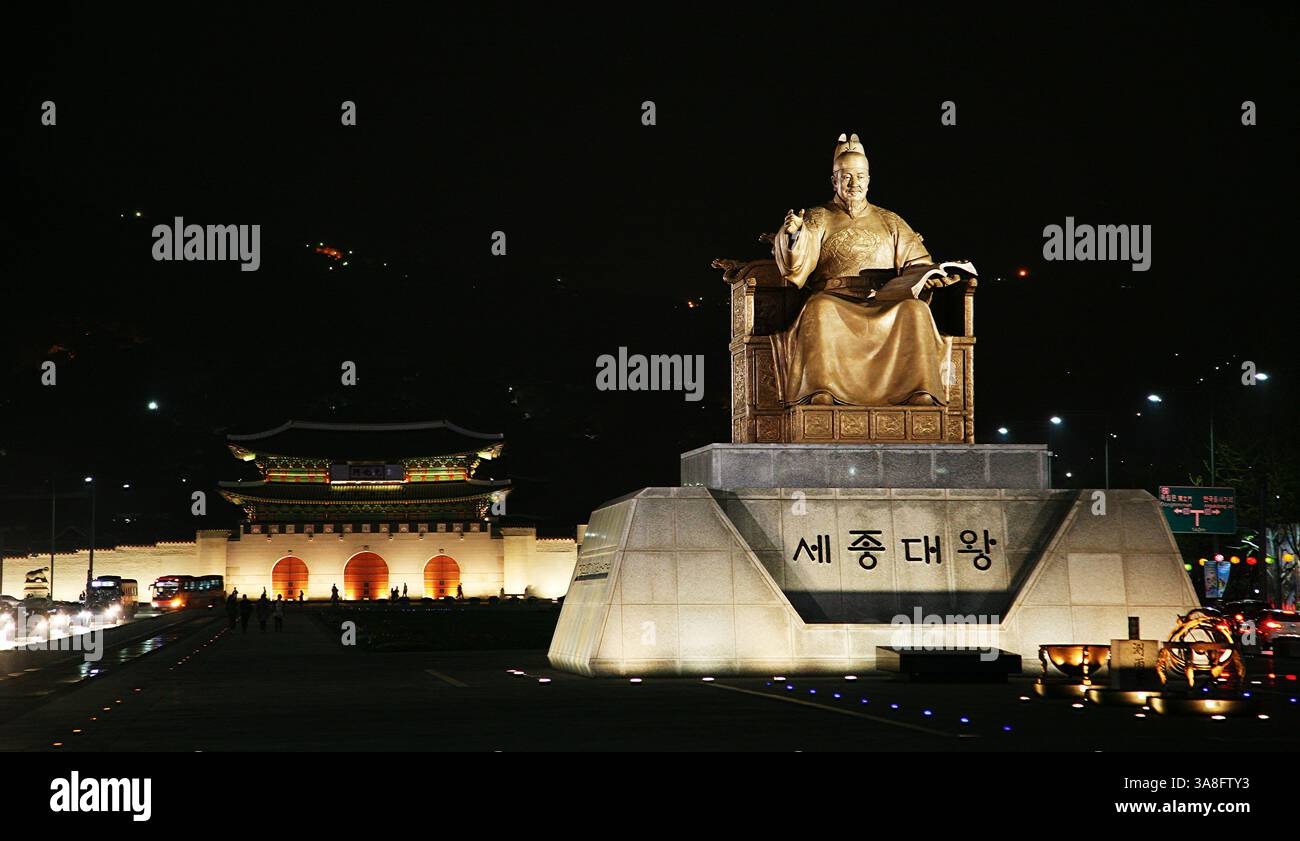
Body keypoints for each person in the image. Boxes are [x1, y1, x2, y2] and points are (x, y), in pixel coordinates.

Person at [771, 133, 965, 408]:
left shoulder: (890, 220)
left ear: (869, 180)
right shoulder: (818, 216)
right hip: (835, 298)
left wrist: (931, 276)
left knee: (916, 311)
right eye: (847, 176)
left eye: (860, 177)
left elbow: (918, 262)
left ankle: (919, 391)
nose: (854, 183)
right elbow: (796, 266)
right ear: (834, 181)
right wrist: (794, 235)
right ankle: (821, 390)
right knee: (819, 309)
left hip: (886, 299)